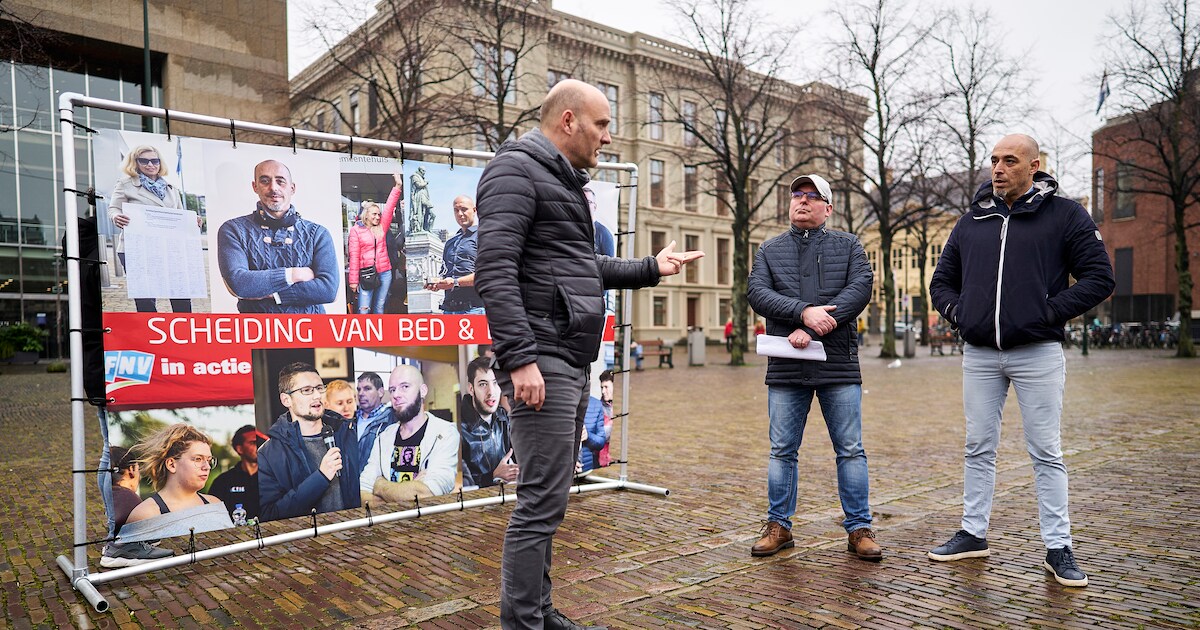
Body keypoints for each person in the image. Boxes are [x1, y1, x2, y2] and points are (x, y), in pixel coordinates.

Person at [475, 78, 702, 630]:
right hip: (543, 357)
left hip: (570, 357)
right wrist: (520, 358)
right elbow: (494, 271)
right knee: (538, 504)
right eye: (601, 125)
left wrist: (651, 268)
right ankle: (524, 623)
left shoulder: (561, 181)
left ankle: (541, 614)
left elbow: (582, 266)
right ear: (569, 120)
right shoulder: (514, 170)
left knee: (551, 499)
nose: (608, 136)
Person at [927, 134, 1115, 588]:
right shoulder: (972, 219)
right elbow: (942, 282)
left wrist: (1046, 313)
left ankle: (1058, 546)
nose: (998, 168)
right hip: (980, 354)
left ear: (1034, 166)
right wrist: (961, 314)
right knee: (977, 447)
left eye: (1009, 160)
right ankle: (973, 533)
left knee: (1046, 451)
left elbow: (1100, 277)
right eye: (993, 160)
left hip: (1037, 353)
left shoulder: (1065, 215)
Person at [745, 173, 880, 562]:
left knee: (851, 449)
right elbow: (758, 293)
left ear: (828, 207)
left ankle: (859, 528)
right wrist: (802, 314)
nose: (801, 201)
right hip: (786, 364)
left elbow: (859, 289)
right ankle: (779, 526)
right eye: (796, 195)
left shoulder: (850, 245)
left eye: (811, 196)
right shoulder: (769, 250)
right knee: (782, 449)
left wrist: (819, 324)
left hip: (838, 363)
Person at [217, 160, 338, 314]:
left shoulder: (317, 234)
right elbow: (239, 284)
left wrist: (271, 293)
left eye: (280, 181)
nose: (273, 188)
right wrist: (294, 274)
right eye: (265, 181)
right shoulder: (234, 230)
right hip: (258, 332)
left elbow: (328, 290)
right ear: (255, 187)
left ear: (292, 188)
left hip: (310, 331)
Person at [258, 362, 361, 521]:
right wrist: (321, 477)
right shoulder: (268, 454)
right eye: (306, 390)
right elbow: (270, 514)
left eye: (320, 388)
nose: (317, 395)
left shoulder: (349, 433)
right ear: (286, 400)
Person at [107, 144, 191, 313]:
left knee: (180, 293)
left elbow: (181, 215)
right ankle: (150, 333)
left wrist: (192, 220)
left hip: (168, 249)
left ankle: (183, 330)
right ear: (135, 163)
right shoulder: (125, 184)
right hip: (137, 249)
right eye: (144, 161)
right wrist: (116, 217)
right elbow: (113, 208)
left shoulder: (171, 189)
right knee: (146, 298)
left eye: (154, 160)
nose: (150, 164)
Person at [359, 364, 460, 503]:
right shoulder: (383, 437)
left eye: (405, 387)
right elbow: (361, 492)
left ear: (423, 390)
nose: (396, 395)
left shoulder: (445, 433)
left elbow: (429, 493)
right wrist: (408, 491)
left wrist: (380, 485)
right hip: (390, 525)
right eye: (393, 389)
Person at [99, 446, 172, 568]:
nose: (140, 476)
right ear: (131, 470)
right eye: (138, 469)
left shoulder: (112, 493)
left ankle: (119, 545)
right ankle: (123, 549)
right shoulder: (127, 497)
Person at [459, 356, 518, 489]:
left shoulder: (503, 417)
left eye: (496, 383)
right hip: (473, 504)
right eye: (483, 384)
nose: (491, 392)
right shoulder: (459, 427)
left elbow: (524, 457)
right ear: (471, 388)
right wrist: (492, 476)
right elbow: (459, 483)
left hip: (502, 497)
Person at [349, 173, 403, 314]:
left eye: (379, 214)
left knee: (379, 307)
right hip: (367, 274)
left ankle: (378, 335)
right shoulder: (356, 230)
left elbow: (390, 206)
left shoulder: (381, 227)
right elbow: (354, 257)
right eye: (374, 214)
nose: (378, 217)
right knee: (363, 309)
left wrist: (397, 186)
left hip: (384, 273)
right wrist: (353, 281)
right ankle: (364, 335)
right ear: (366, 214)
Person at [425, 195, 485, 314]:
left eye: (464, 209)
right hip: (448, 311)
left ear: (474, 210)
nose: (460, 214)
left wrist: (455, 282)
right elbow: (445, 273)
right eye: (456, 210)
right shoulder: (450, 243)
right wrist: (437, 283)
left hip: (474, 310)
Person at [208, 425, 266, 523]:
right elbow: (212, 518)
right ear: (239, 449)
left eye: (260, 442)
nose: (259, 446)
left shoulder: (273, 477)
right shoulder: (223, 481)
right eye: (253, 442)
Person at [353, 371, 392, 472]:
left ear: (380, 392)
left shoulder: (391, 419)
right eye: (359, 389)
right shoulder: (351, 419)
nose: (361, 393)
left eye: (367, 388)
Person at [578, 371, 613, 474]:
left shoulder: (596, 405)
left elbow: (601, 438)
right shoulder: (600, 406)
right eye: (602, 387)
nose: (603, 391)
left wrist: (588, 436)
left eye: (606, 387)